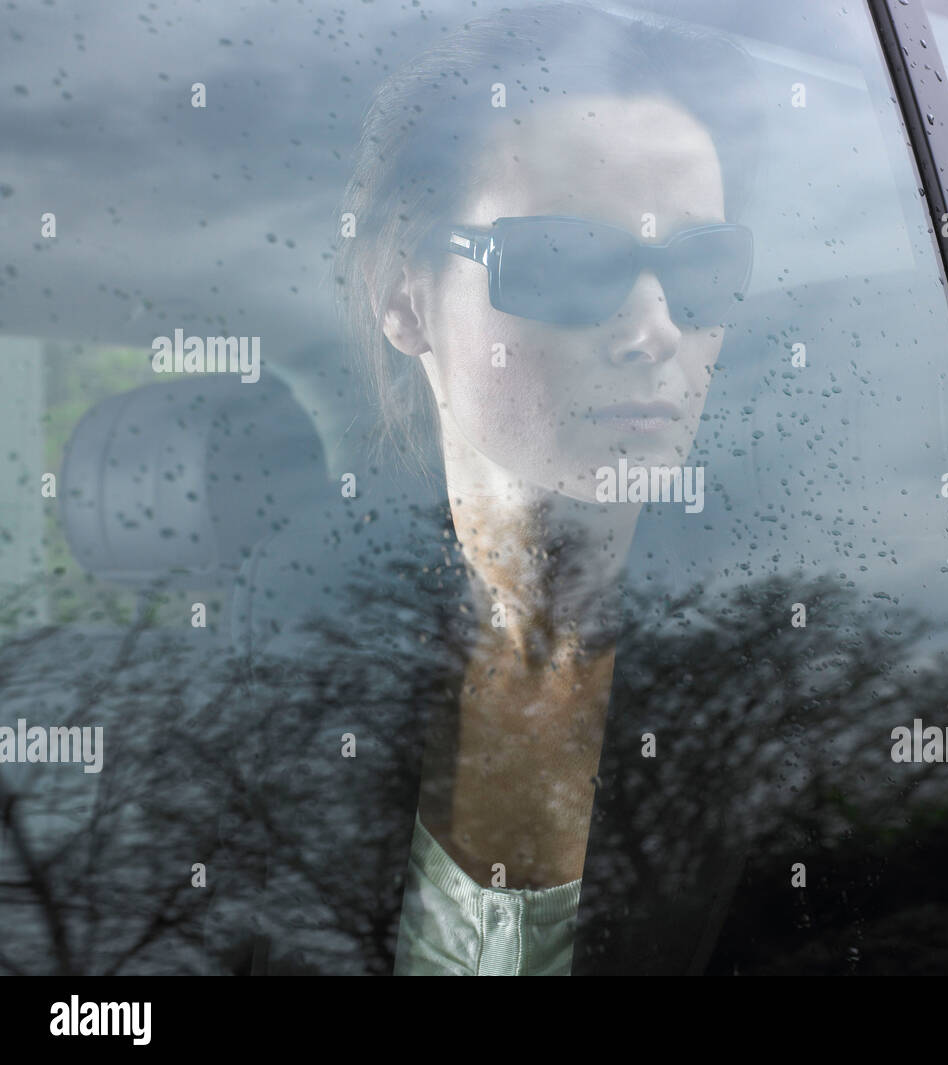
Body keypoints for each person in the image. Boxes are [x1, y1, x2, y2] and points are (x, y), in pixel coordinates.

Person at [334, 0, 764, 974]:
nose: (653, 328)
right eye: (570, 260)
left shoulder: (796, 669)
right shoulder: (309, 666)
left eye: (701, 266)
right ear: (404, 294)